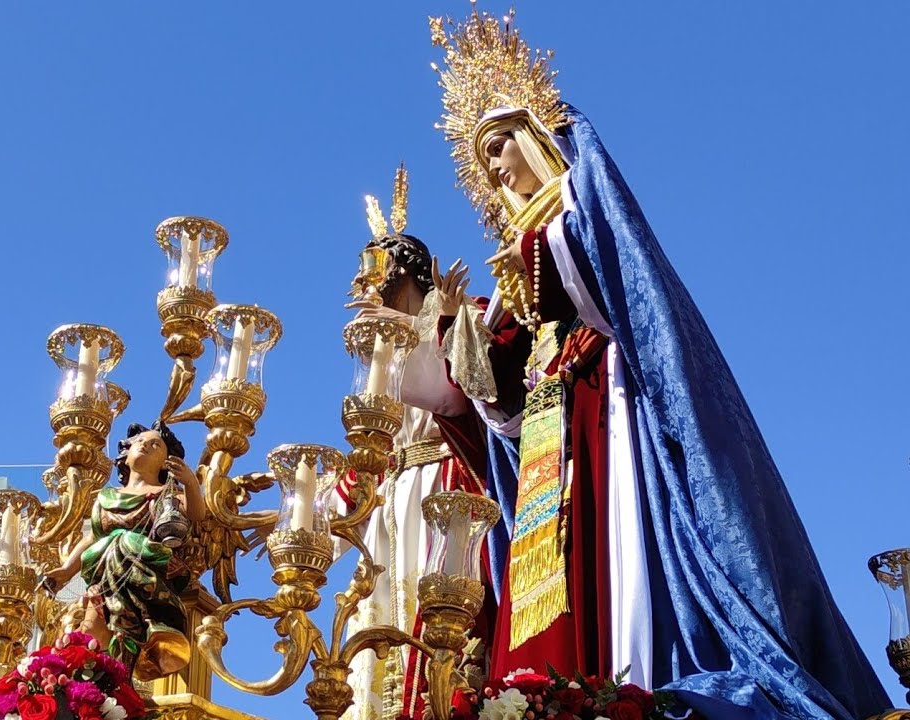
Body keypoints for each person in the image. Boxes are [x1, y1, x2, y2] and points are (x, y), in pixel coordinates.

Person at [420, 7, 890, 719]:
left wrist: (535, 252)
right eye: (482, 156)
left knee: (614, 548)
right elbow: (503, 397)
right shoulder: (519, 246)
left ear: (532, 137)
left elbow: (614, 286)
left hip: (607, 402)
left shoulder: (577, 208)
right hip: (552, 424)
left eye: (499, 146)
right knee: (556, 570)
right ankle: (557, 688)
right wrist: (463, 336)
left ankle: (623, 683)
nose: (491, 168)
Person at [339, 169, 492, 720]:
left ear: (403, 274)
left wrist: (439, 327)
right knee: (378, 629)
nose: (363, 292)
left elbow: (468, 394)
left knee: (447, 619)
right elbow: (369, 447)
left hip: (445, 486)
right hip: (391, 499)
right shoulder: (376, 352)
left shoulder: (455, 315)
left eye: (372, 277)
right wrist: (313, 514)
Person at [46, 421, 201, 681]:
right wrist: (65, 571)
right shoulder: (106, 498)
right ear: (125, 454)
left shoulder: (167, 494)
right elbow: (93, 539)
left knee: (123, 544)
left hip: (148, 574)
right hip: (107, 573)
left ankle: (122, 675)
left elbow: (197, 515)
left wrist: (191, 484)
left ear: (166, 462)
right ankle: (96, 680)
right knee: (94, 625)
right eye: (140, 441)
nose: (146, 445)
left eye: (156, 444)